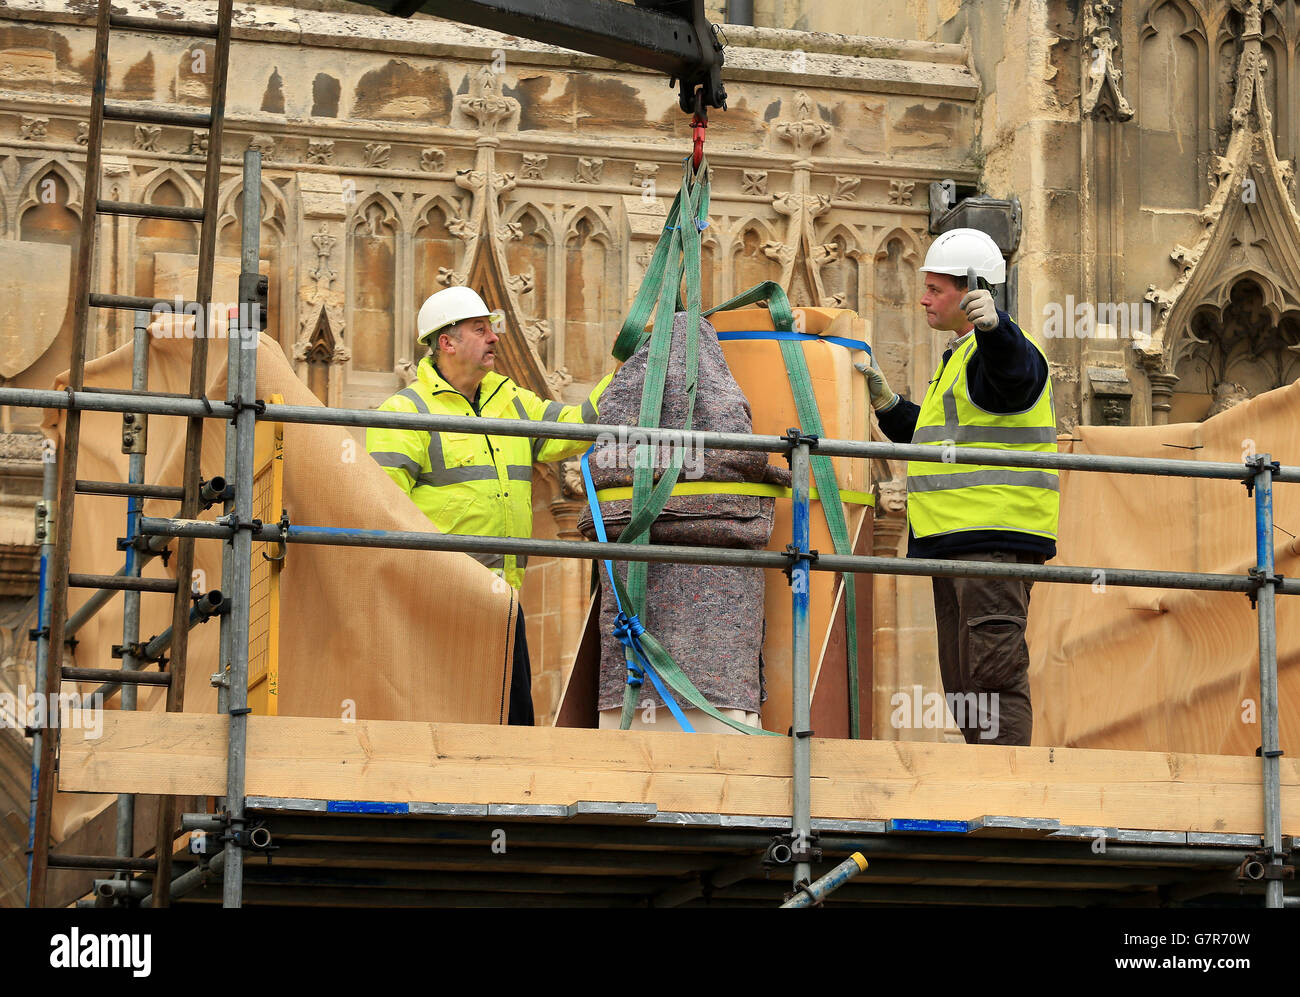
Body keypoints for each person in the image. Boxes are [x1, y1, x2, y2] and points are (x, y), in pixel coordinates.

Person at [366, 286, 611, 725]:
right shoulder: (406, 411)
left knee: (512, 723)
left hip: (503, 598)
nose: (495, 338)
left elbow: (578, 427)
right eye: (480, 330)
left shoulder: (511, 400)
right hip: (440, 596)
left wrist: (628, 375)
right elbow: (381, 508)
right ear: (447, 342)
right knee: (441, 720)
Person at [857, 228, 1058, 745]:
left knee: (993, 680)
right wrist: (885, 401)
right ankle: (980, 782)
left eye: (936, 289)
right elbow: (931, 433)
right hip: (952, 543)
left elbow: (1014, 374)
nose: (923, 298)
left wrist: (998, 331)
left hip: (991, 542)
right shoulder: (960, 358)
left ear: (973, 291)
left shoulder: (1002, 352)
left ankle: (1004, 795)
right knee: (964, 685)